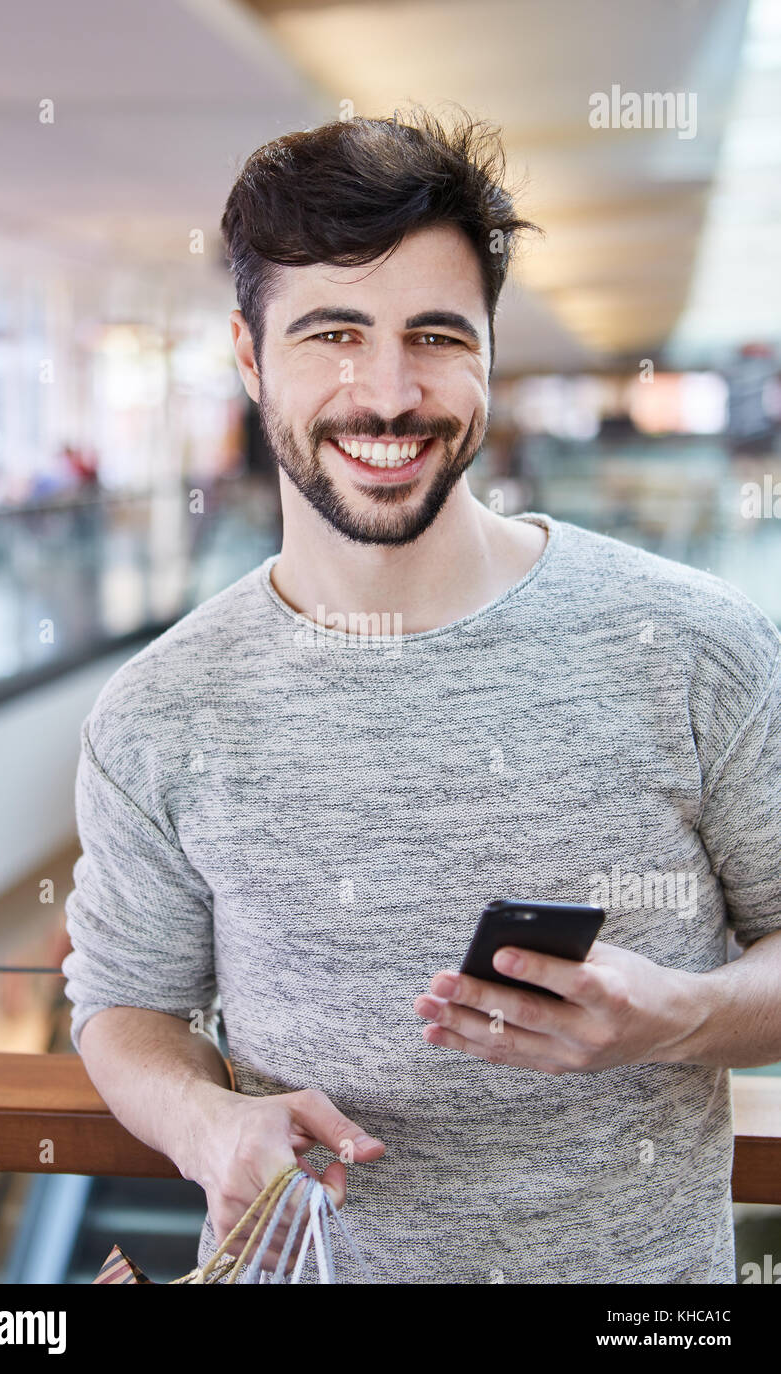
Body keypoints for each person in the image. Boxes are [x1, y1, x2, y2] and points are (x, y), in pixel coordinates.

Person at [62, 109, 781, 1284]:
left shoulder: (695, 647)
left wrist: (685, 1016)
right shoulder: (161, 710)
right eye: (331, 333)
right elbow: (122, 1003)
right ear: (249, 357)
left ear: (490, 349)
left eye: (435, 336)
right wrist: (203, 1122)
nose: (387, 394)